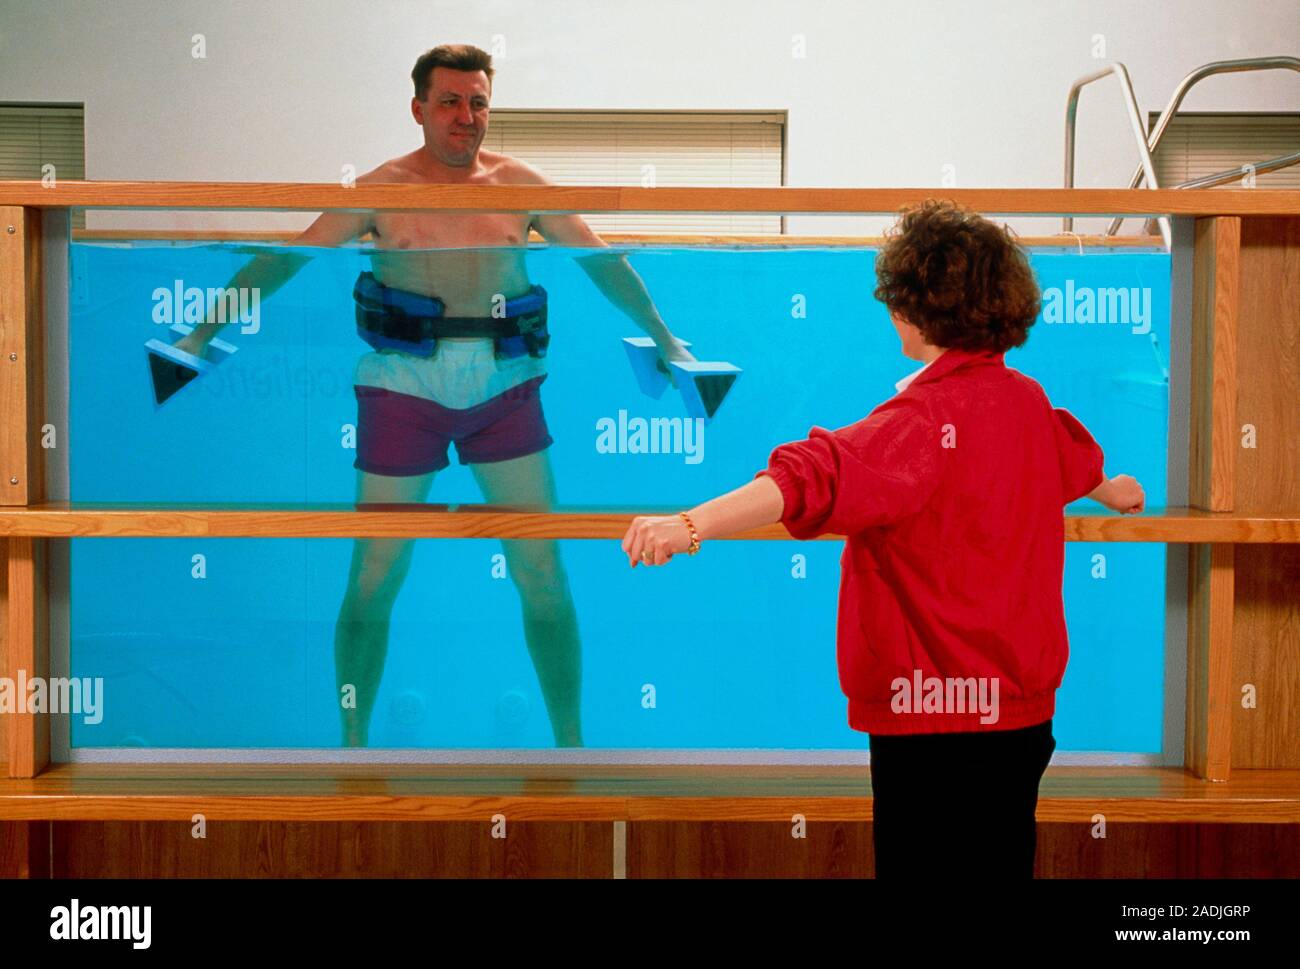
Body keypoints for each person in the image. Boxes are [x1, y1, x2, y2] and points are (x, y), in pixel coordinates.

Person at [176, 43, 695, 747]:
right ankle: (352, 743)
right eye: (450, 101)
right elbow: (289, 257)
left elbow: (603, 262)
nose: (465, 116)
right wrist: (201, 333)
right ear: (418, 108)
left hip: (505, 387)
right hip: (403, 390)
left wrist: (669, 340)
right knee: (375, 569)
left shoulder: (521, 186)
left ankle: (571, 743)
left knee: (541, 567)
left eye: (478, 102)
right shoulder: (379, 190)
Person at [621, 199, 1146, 879]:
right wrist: (1119, 491)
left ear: (910, 307)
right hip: (1020, 719)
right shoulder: (1031, 406)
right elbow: (1089, 468)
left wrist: (690, 524)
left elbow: (807, 477)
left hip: (930, 724)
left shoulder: (920, 421)